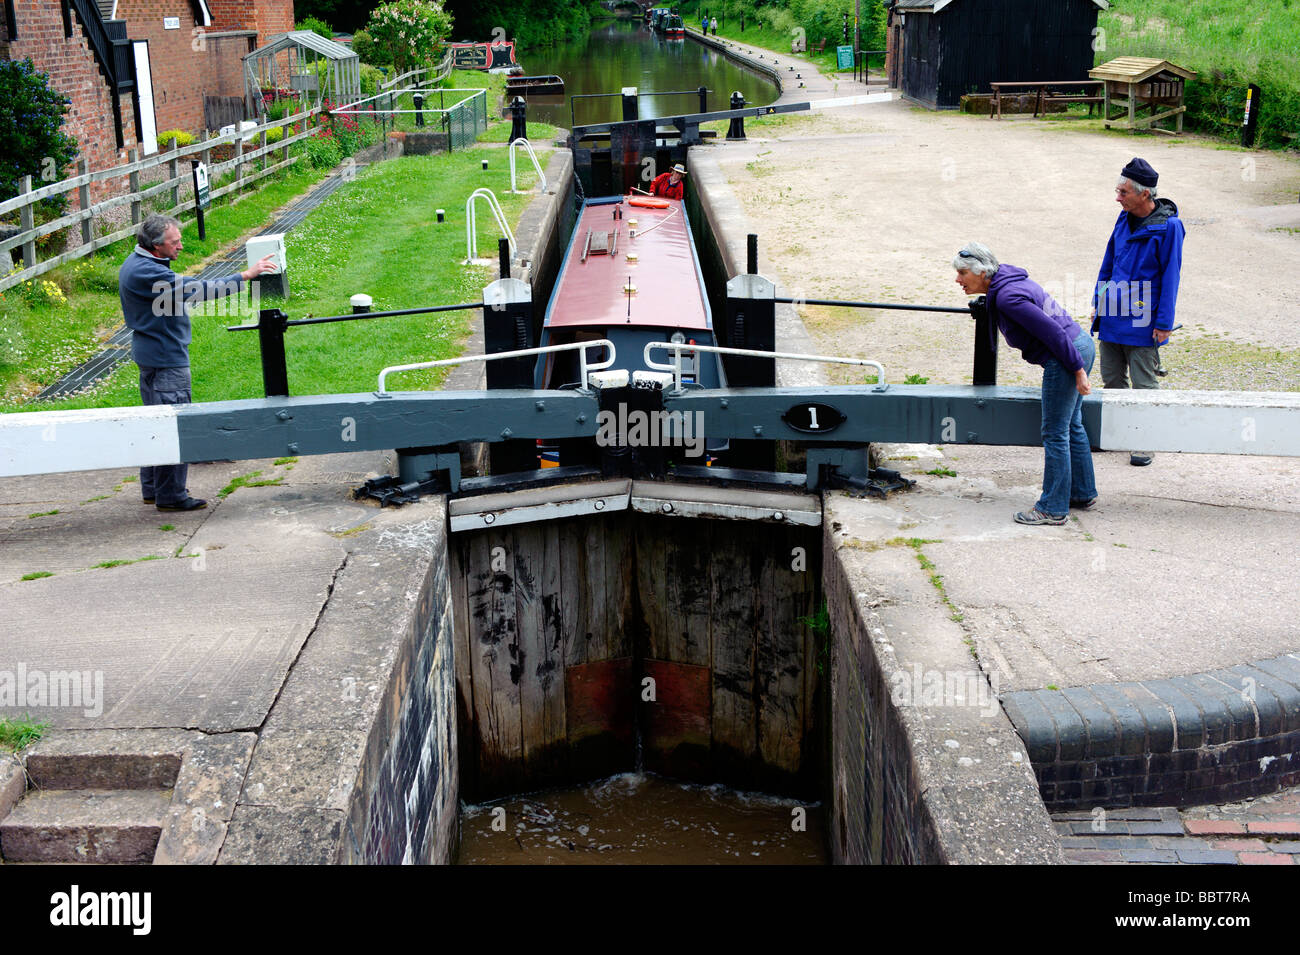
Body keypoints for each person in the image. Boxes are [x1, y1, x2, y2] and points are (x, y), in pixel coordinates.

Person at [119, 214, 277, 511]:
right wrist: (245, 276)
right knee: (175, 426)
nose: (180, 246)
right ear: (156, 246)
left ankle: (153, 488)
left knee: (156, 423)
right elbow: (197, 290)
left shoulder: (135, 262)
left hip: (151, 353)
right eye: (174, 242)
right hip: (166, 359)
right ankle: (171, 496)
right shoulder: (150, 274)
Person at [953, 242, 1097, 526]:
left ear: (982, 273)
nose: (958, 279)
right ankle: (1080, 492)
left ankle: (1053, 508)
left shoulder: (1007, 297)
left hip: (1066, 356)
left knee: (1055, 432)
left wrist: (1078, 370)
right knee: (1071, 424)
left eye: (963, 273)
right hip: (1080, 344)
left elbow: (1054, 334)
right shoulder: (1007, 280)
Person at [1092, 157, 1185, 467]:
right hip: (1113, 314)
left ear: (1145, 194)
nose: (1118, 198)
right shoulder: (1123, 217)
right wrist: (1099, 302)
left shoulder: (1169, 227)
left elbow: (1171, 277)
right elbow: (1109, 261)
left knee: (1144, 384)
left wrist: (1164, 324)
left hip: (1144, 320)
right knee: (1112, 379)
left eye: (1123, 192)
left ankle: (1145, 440)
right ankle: (1119, 434)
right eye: (1117, 191)